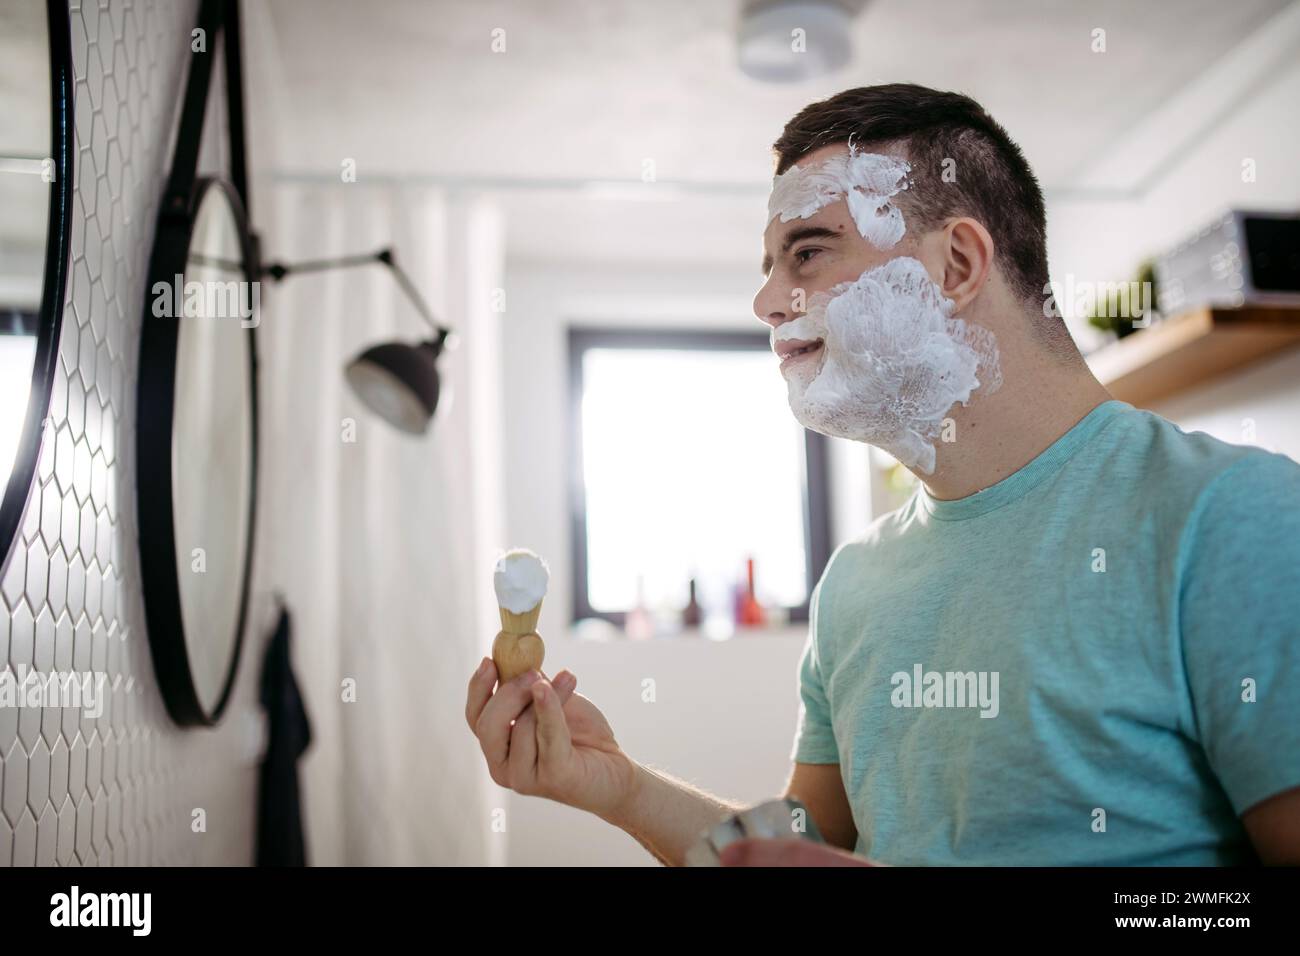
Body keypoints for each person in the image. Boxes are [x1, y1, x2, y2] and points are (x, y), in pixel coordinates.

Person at [465, 84, 1300, 866]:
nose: (765, 301)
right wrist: (614, 784)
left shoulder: (1233, 518)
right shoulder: (854, 582)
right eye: (769, 264)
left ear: (957, 265)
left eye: (807, 252)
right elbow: (810, 842)